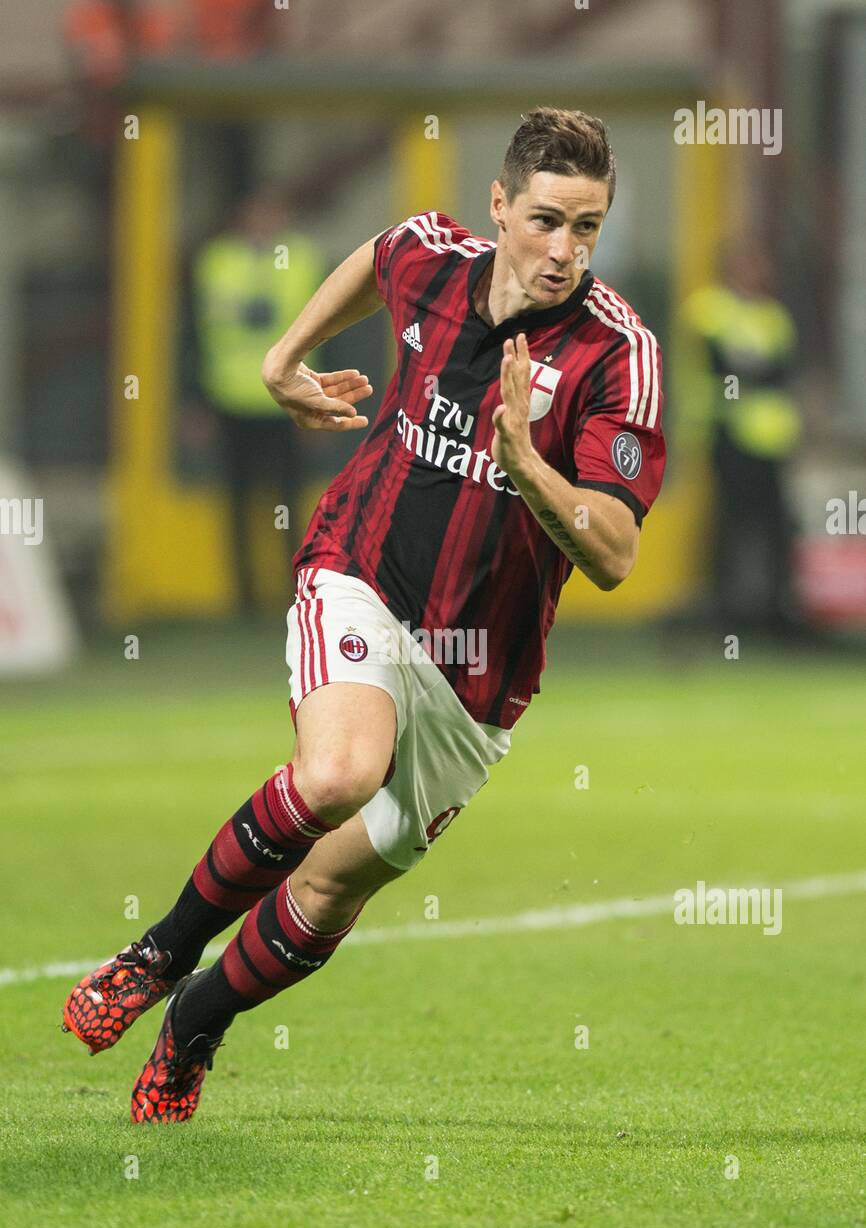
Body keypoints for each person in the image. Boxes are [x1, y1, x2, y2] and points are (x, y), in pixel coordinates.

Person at [61, 108, 667, 1123]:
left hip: (475, 677)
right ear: (499, 206)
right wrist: (282, 361)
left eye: (588, 229)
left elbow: (610, 551)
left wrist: (525, 463)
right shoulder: (433, 258)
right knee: (337, 774)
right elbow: (378, 254)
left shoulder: (616, 354)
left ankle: (195, 1023)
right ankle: (160, 950)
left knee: (337, 885)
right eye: (547, 220)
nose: (564, 252)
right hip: (361, 572)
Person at [191, 187, 325, 610]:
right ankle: (244, 598)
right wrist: (196, 400)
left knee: (289, 501)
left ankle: (293, 592)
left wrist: (318, 401)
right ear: (241, 216)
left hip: (288, 401)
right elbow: (195, 334)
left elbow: (327, 331)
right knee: (238, 503)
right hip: (230, 399)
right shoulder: (217, 261)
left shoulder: (303, 259)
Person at [681, 240, 801, 631]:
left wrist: (750, 370)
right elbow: (724, 369)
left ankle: (778, 609)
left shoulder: (773, 317)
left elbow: (777, 372)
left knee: (776, 525)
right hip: (726, 434)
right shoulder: (708, 309)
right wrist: (753, 371)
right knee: (727, 522)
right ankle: (722, 607)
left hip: (770, 440)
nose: (755, 273)